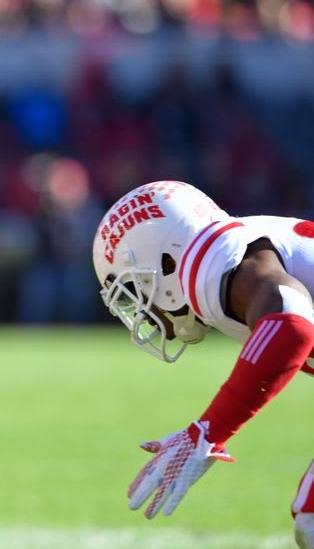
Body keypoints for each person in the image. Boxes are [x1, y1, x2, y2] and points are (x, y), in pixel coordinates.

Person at [92, 180, 314, 548]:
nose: (145, 314)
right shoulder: (227, 247)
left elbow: (291, 325)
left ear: (166, 264)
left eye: (137, 291)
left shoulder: (209, 268)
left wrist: (209, 431)